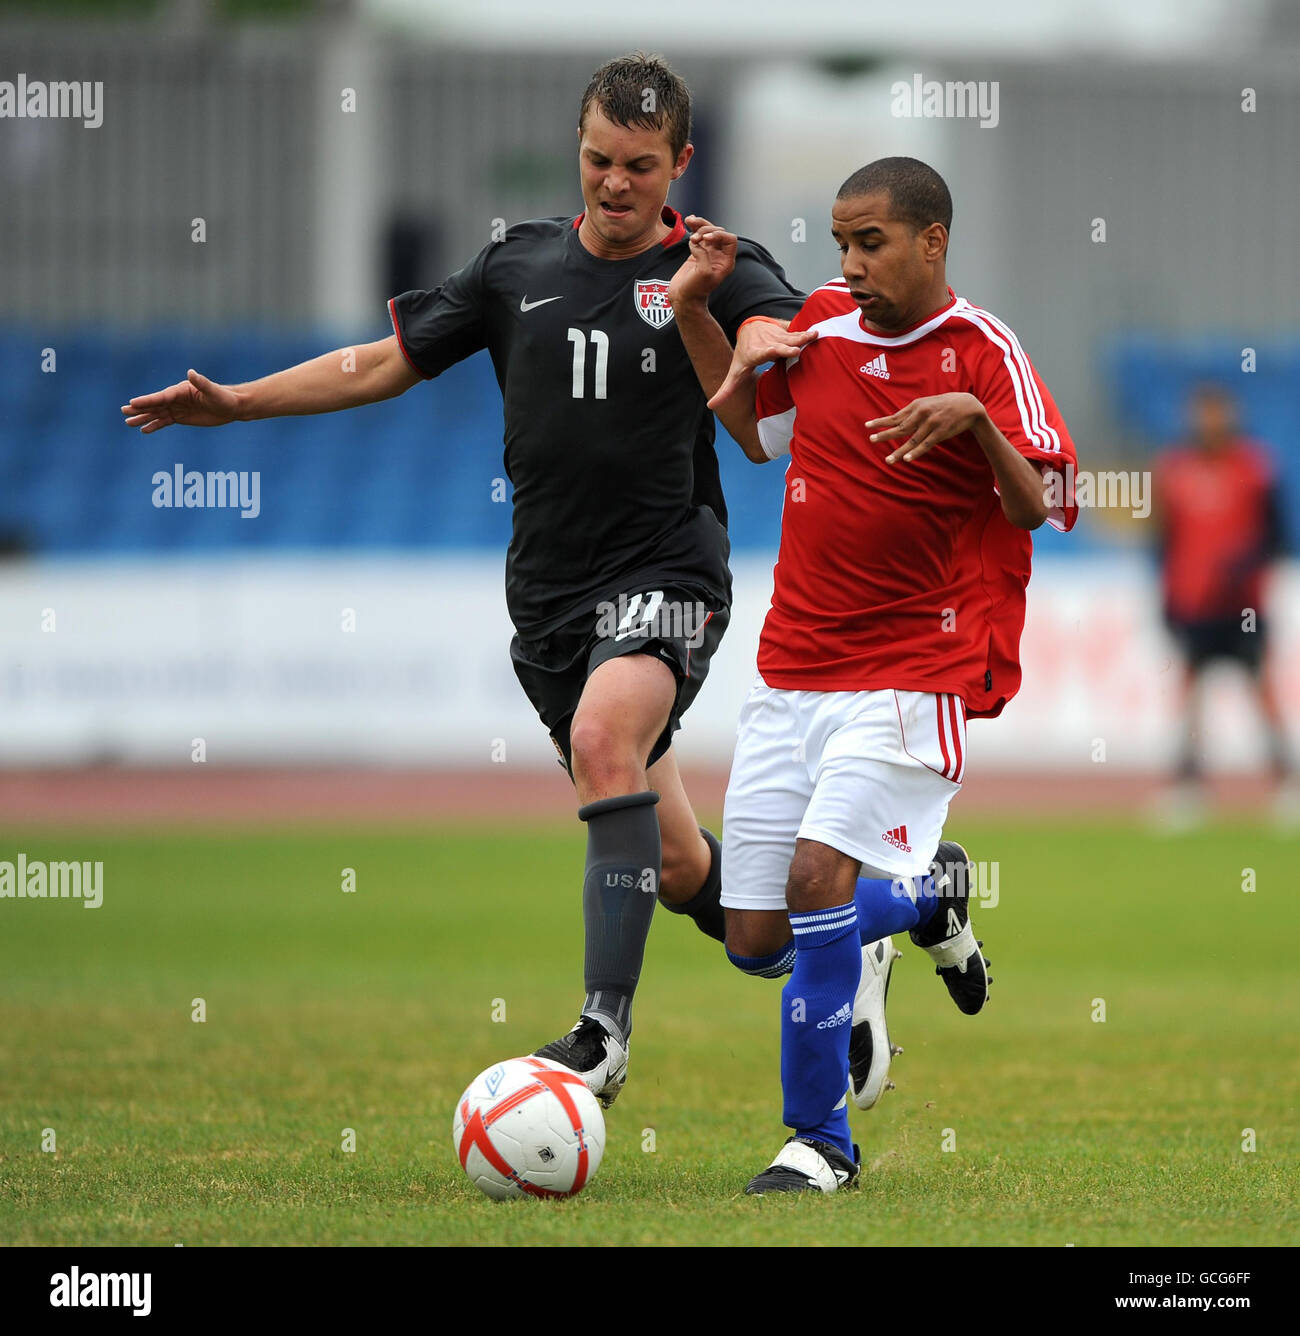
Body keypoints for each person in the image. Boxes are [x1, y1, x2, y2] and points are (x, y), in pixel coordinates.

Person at [121, 52, 807, 1107]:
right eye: (597, 160)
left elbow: (768, 372)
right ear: (577, 150)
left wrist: (737, 321)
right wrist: (241, 404)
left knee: (600, 740)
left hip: (669, 565)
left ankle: (602, 1033)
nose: (615, 183)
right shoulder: (513, 268)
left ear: (680, 162)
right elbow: (382, 362)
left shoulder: (719, 260)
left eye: (638, 164)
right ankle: (833, 952)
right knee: (676, 868)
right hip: (547, 602)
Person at [667, 157, 1078, 1194]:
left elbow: (1043, 505)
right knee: (756, 937)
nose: (849, 265)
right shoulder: (823, 325)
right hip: (793, 669)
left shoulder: (984, 350)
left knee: (815, 887)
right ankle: (928, 894)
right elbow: (756, 435)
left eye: (871, 243)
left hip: (912, 669)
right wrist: (693, 310)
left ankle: (818, 1144)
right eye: (840, 243)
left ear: (931, 241)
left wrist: (974, 422)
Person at [1153, 384, 1290, 819]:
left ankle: (1286, 782)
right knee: (1191, 696)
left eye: (1216, 413)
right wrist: (1168, 598)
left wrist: (1243, 563)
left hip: (1243, 605)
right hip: (1195, 605)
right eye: (1201, 413)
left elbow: (1279, 536)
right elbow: (1164, 541)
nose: (1208, 422)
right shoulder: (1175, 470)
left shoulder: (1256, 468)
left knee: (1263, 691)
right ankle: (1189, 785)